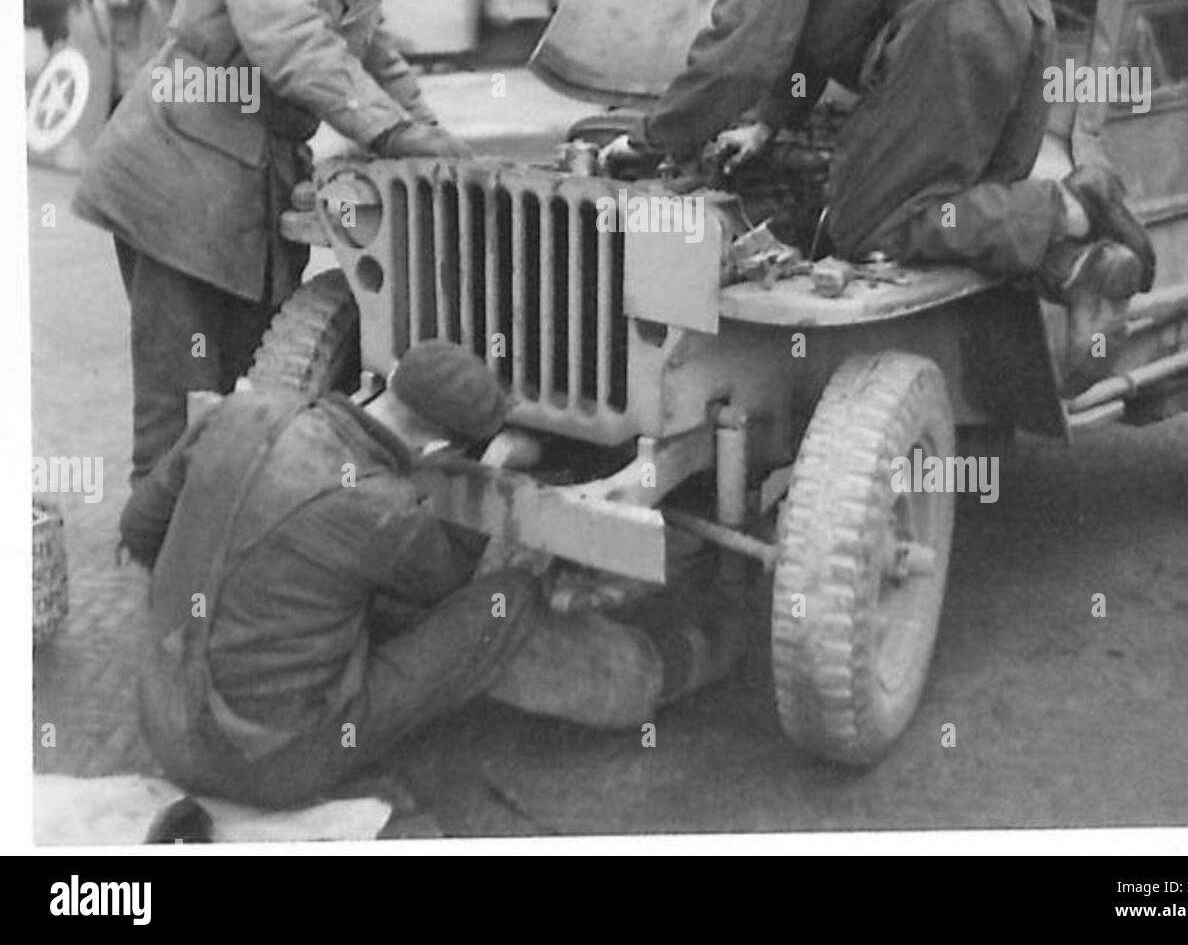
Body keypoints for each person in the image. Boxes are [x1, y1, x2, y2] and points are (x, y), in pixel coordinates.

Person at [600, 0, 1156, 388]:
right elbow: (806, 31)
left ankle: (1070, 209)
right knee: (961, 205)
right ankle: (1082, 270)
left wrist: (648, 140)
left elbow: (738, 56)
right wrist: (770, 122)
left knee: (869, 222)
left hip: (953, 12)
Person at [124, 340, 743, 809]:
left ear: (391, 378)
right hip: (270, 763)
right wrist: (499, 469)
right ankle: (667, 668)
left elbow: (140, 528)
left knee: (333, 592)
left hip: (161, 712)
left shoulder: (243, 411)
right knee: (509, 600)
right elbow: (451, 593)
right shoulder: (383, 509)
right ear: (438, 450)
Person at [73, 0, 472, 501]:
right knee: (181, 389)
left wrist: (434, 135)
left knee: (254, 378)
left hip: (255, 174)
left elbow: (372, 49)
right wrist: (391, 133)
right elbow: (291, 43)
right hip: (179, 173)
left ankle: (232, 533)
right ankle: (161, 558)